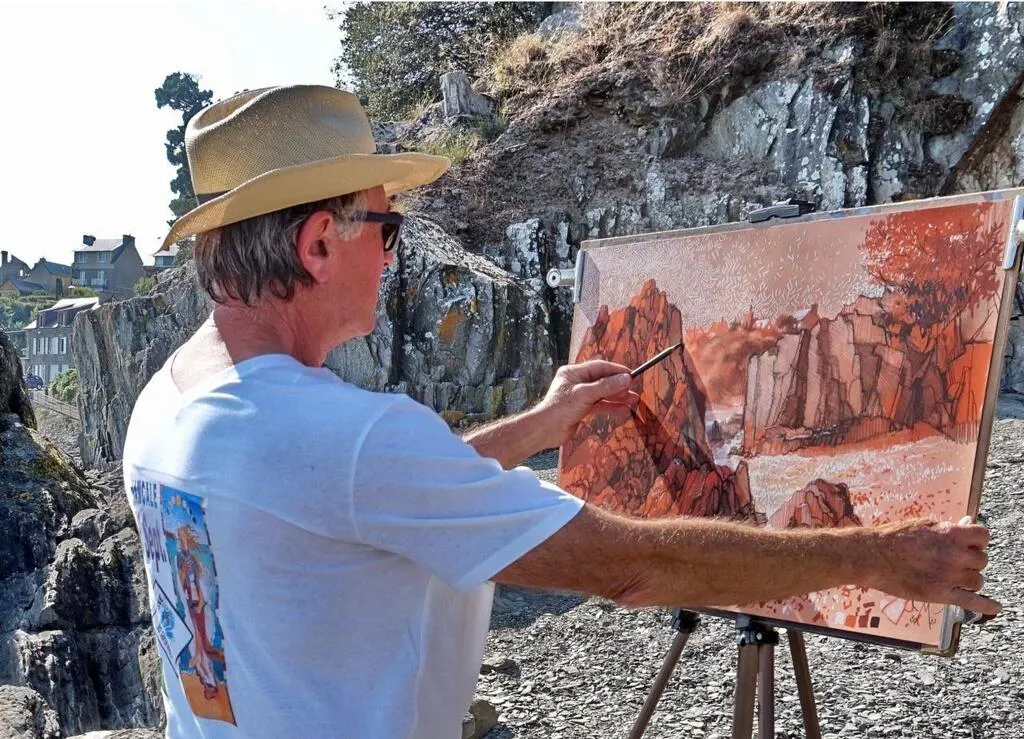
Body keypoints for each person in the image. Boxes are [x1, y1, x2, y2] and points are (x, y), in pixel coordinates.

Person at [124, 85, 999, 738]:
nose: (391, 256)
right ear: (320, 243)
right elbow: (633, 563)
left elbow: (344, 499)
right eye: (385, 229)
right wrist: (882, 555)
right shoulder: (350, 439)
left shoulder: (167, 400)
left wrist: (538, 429)